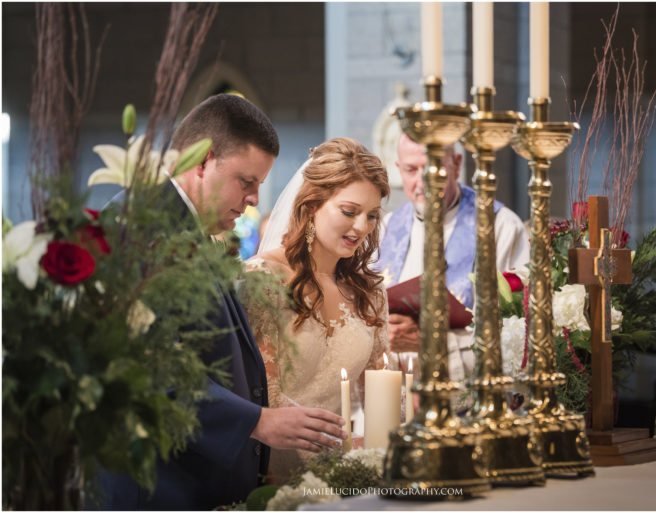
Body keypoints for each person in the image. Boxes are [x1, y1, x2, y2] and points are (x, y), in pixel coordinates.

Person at [96, 94, 347, 510]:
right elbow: (142, 369)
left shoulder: (191, 229)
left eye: (259, 186)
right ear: (202, 160)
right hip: (158, 488)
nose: (253, 199)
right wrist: (257, 422)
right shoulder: (138, 228)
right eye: (246, 181)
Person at [243, 137, 392, 483]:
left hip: (346, 473)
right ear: (312, 205)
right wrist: (335, 445)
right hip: (269, 473)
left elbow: (381, 392)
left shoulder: (369, 292)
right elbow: (265, 395)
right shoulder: (261, 280)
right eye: (349, 211)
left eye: (371, 216)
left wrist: (384, 444)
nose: (362, 227)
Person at [376, 133, 530, 386]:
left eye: (434, 168)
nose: (422, 181)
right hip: (395, 393)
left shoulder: (499, 227)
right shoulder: (385, 229)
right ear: (398, 170)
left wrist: (431, 343)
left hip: (466, 394)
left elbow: (518, 334)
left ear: (457, 164)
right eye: (411, 170)